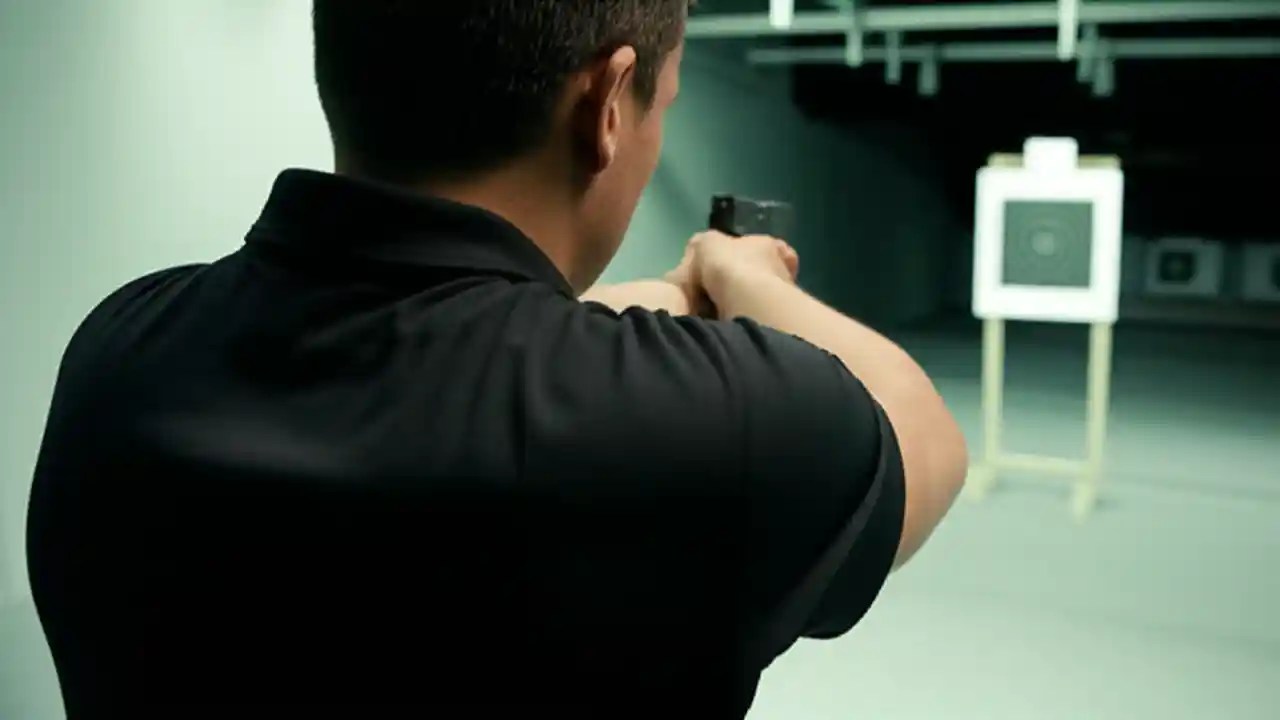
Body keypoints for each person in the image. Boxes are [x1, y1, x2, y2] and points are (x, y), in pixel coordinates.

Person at [26, 1, 967, 717]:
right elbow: (918, 430)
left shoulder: (120, 351)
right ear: (606, 103)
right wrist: (746, 275)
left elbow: (437, 335)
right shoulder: (720, 429)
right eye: (660, 105)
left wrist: (677, 291)